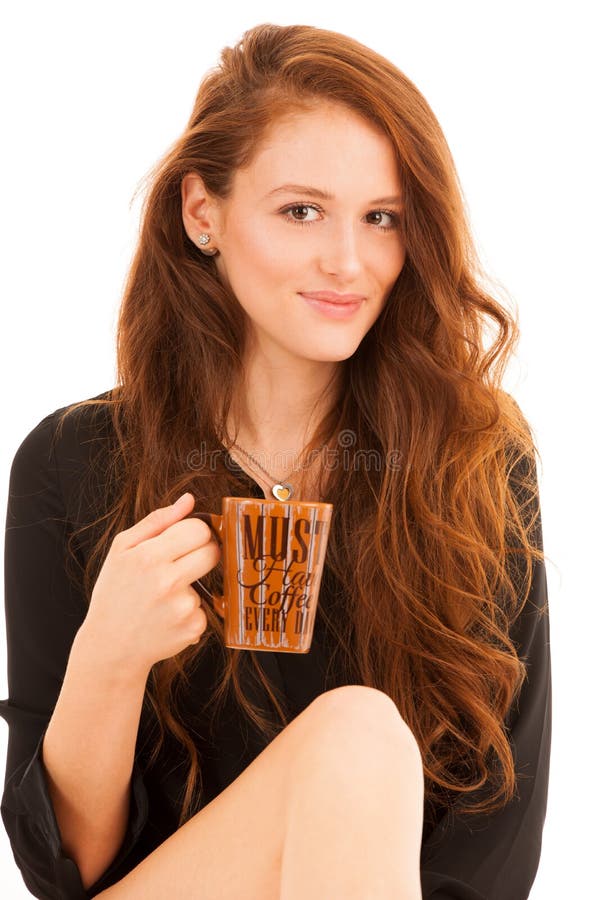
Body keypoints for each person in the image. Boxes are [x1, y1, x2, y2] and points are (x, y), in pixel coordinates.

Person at [0, 22, 551, 900]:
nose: (348, 261)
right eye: (302, 210)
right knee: (359, 734)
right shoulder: (72, 463)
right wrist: (110, 652)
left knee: (359, 742)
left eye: (382, 219)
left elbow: (497, 829)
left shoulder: (473, 457)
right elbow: (68, 871)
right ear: (202, 213)